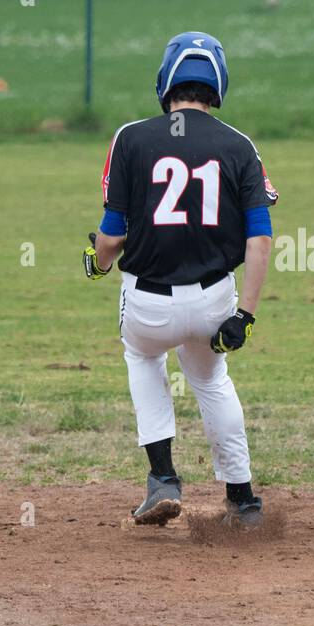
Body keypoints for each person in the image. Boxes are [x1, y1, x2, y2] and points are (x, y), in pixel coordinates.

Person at [84, 31, 278, 527]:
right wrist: (245, 316)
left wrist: (98, 262)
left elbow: (111, 234)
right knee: (212, 381)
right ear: (218, 84)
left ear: (166, 82)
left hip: (148, 301)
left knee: (143, 358)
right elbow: (259, 241)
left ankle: (164, 479)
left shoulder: (132, 138)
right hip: (215, 299)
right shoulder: (239, 146)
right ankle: (243, 499)